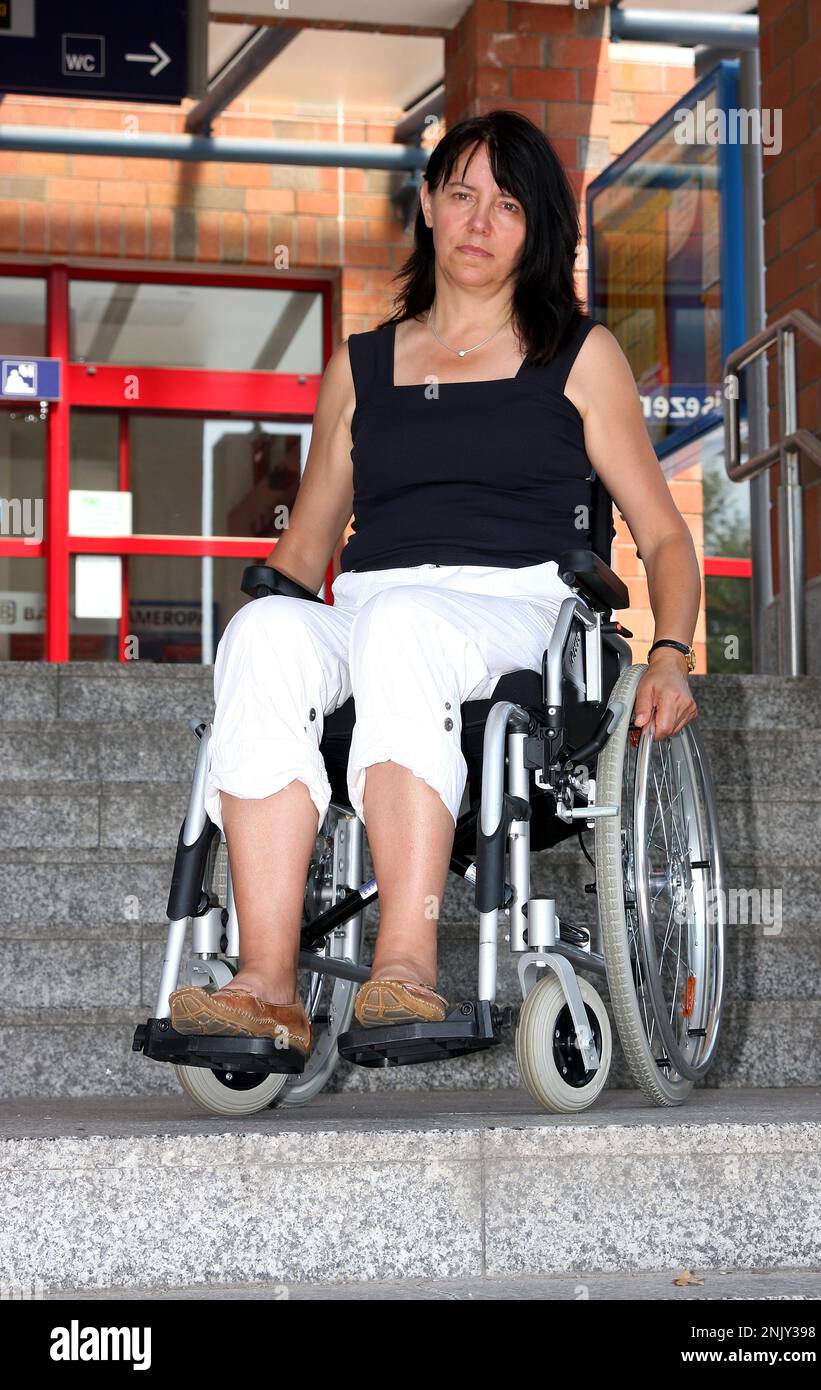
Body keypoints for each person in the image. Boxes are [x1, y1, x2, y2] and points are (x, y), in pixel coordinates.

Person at [169, 109, 701, 1058]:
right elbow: (307, 550)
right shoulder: (362, 365)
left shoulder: (578, 356)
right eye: (461, 195)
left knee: (404, 622)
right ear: (426, 203)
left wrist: (668, 654)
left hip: (519, 614)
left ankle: (405, 966)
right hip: (374, 605)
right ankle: (266, 982)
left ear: (536, 230)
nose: (478, 222)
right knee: (263, 637)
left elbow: (663, 534)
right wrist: (258, 637)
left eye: (507, 205)